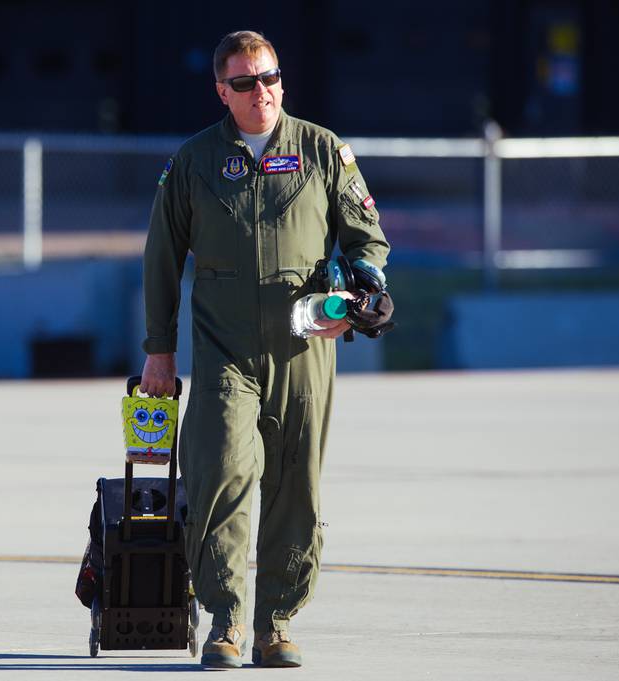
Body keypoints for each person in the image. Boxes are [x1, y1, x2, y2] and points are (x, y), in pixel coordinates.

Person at [140, 30, 390, 669]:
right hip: (224, 350)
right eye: (246, 83)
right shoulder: (195, 161)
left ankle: (273, 623)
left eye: (271, 77)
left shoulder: (321, 150)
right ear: (222, 91)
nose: (262, 93)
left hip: (306, 347)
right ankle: (224, 620)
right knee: (222, 470)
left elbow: (366, 238)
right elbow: (162, 260)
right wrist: (159, 352)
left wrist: (368, 288)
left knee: (295, 486)